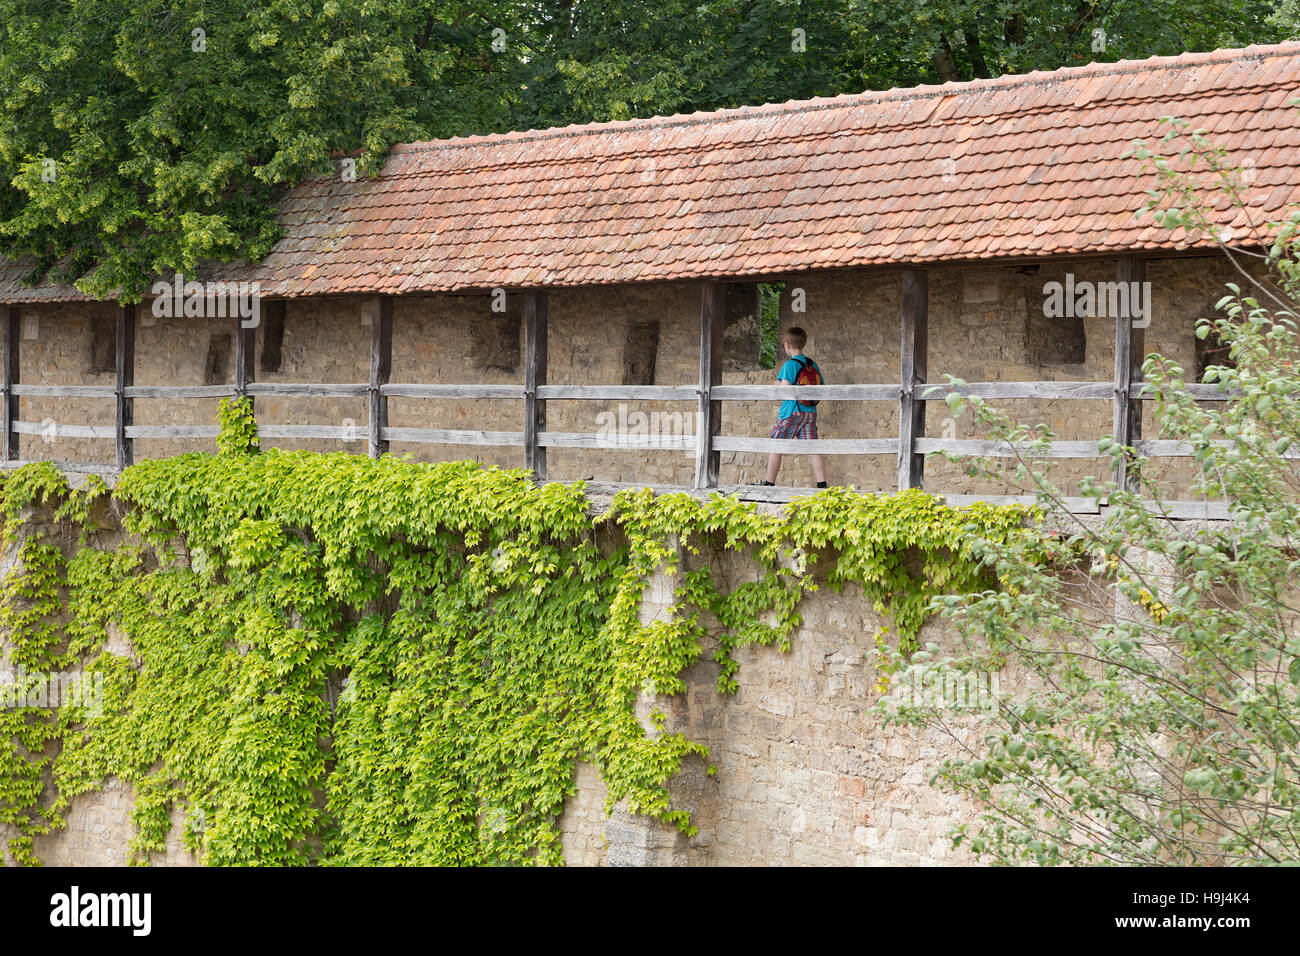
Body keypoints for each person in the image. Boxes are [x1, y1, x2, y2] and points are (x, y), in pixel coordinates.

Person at [752, 326, 827, 488]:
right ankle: (822, 485)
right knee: (813, 448)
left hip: (791, 411)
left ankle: (769, 484)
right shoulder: (812, 364)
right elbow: (821, 385)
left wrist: (776, 383)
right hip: (810, 412)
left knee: (776, 445)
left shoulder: (790, 364)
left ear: (787, 345)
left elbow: (784, 389)